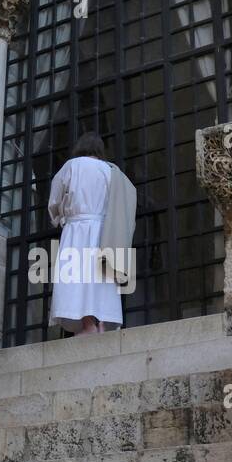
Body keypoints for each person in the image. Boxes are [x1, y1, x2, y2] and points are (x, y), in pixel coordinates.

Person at [46, 132, 134, 336]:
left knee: (79, 278)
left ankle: (88, 325)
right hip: (105, 231)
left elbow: (54, 200)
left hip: (77, 229)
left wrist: (59, 218)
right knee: (101, 278)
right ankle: (101, 321)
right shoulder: (110, 171)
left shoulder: (71, 166)